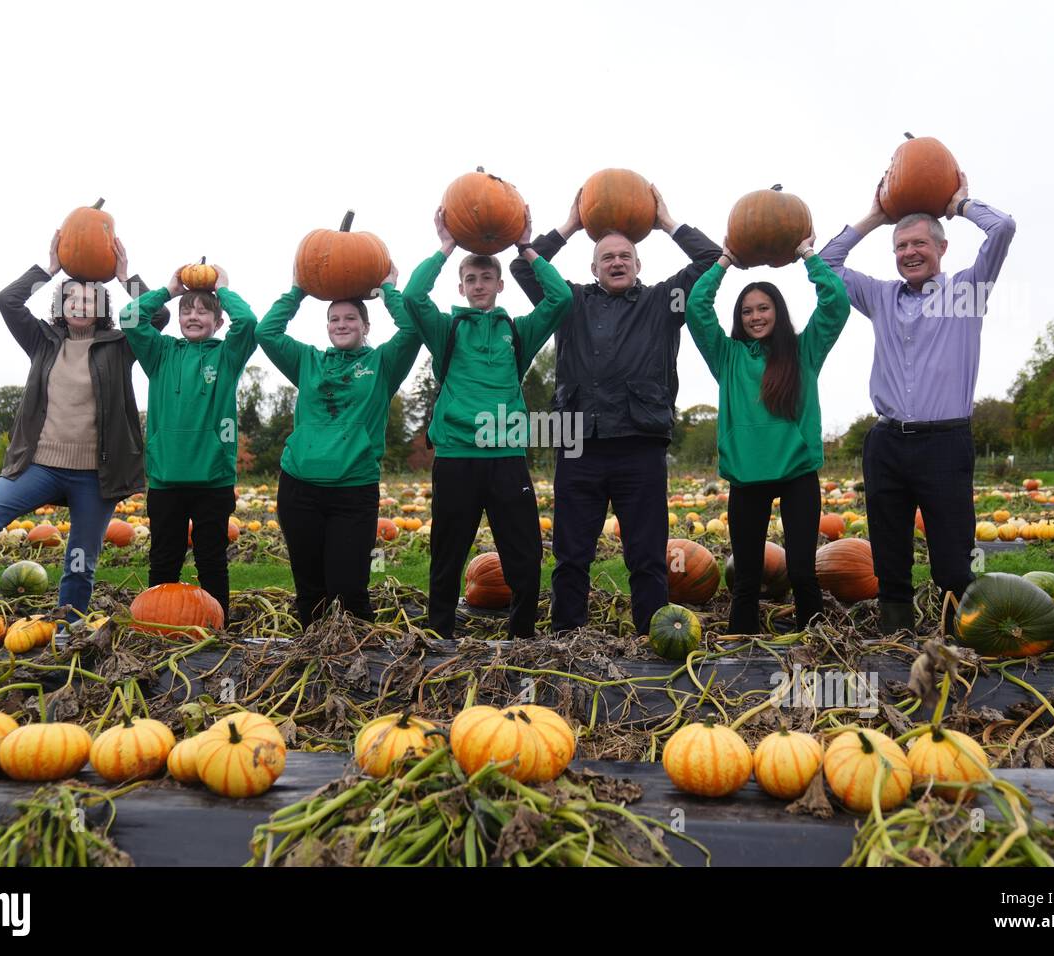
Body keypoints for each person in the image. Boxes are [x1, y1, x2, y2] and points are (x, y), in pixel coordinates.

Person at [509, 187, 720, 636]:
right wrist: (567, 226)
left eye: (625, 256)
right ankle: (568, 636)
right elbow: (523, 270)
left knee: (646, 553)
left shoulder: (666, 303)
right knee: (571, 553)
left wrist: (668, 223)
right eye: (607, 257)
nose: (617, 262)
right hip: (577, 442)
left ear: (639, 264)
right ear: (593, 268)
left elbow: (711, 261)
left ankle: (652, 636)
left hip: (639, 446)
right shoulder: (567, 303)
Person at [819, 173, 1016, 635]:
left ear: (942, 248)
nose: (909, 253)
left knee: (952, 554)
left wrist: (961, 205)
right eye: (900, 246)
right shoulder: (880, 296)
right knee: (888, 552)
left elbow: (1003, 228)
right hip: (886, 442)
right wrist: (875, 216)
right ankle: (897, 638)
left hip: (945, 442)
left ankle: (956, 638)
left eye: (918, 244)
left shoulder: (969, 291)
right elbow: (826, 263)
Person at [0, 231, 167, 621]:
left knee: (80, 561)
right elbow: (7, 300)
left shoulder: (122, 344)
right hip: (39, 466)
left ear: (102, 307)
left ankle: (69, 627)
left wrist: (124, 276)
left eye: (90, 299)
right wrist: (49, 267)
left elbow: (161, 315)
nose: (81, 304)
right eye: (73, 297)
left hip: (95, 475)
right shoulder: (42, 340)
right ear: (61, 303)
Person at [402, 206, 571, 640]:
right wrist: (446, 246)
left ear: (499, 284)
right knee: (447, 553)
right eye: (471, 279)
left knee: (525, 554)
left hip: (507, 457)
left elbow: (561, 300)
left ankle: (522, 637)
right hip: (457, 457)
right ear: (461, 286)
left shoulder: (518, 332)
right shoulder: (447, 330)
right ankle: (440, 635)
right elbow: (413, 298)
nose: (479, 285)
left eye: (486, 278)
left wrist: (525, 247)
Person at [686, 233, 851, 635]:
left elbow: (836, 304)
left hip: (797, 475)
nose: (755, 316)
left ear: (777, 311)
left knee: (801, 571)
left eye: (763, 308)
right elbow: (696, 307)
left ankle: (817, 645)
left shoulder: (803, 350)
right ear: (739, 318)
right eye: (747, 311)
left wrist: (806, 254)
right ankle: (742, 644)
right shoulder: (727, 356)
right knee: (744, 579)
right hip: (746, 478)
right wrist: (725, 260)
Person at [257, 261, 420, 631]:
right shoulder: (307, 361)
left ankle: (362, 669)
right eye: (334, 319)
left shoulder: (382, 363)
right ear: (327, 326)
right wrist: (298, 289)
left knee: (349, 590)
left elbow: (412, 330)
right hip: (299, 488)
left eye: (350, 318)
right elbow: (265, 331)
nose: (342, 324)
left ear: (366, 326)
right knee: (310, 590)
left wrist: (388, 290)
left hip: (353, 491)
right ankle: (314, 663)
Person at [119, 264, 257, 627]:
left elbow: (249, 323)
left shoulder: (228, 356)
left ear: (218, 321)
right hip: (166, 478)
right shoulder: (160, 353)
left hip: (213, 479)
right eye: (187, 310)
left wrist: (223, 289)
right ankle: (156, 624)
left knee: (212, 559)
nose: (193, 316)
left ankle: (218, 625)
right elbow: (129, 318)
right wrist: (168, 290)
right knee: (164, 558)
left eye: (203, 311)